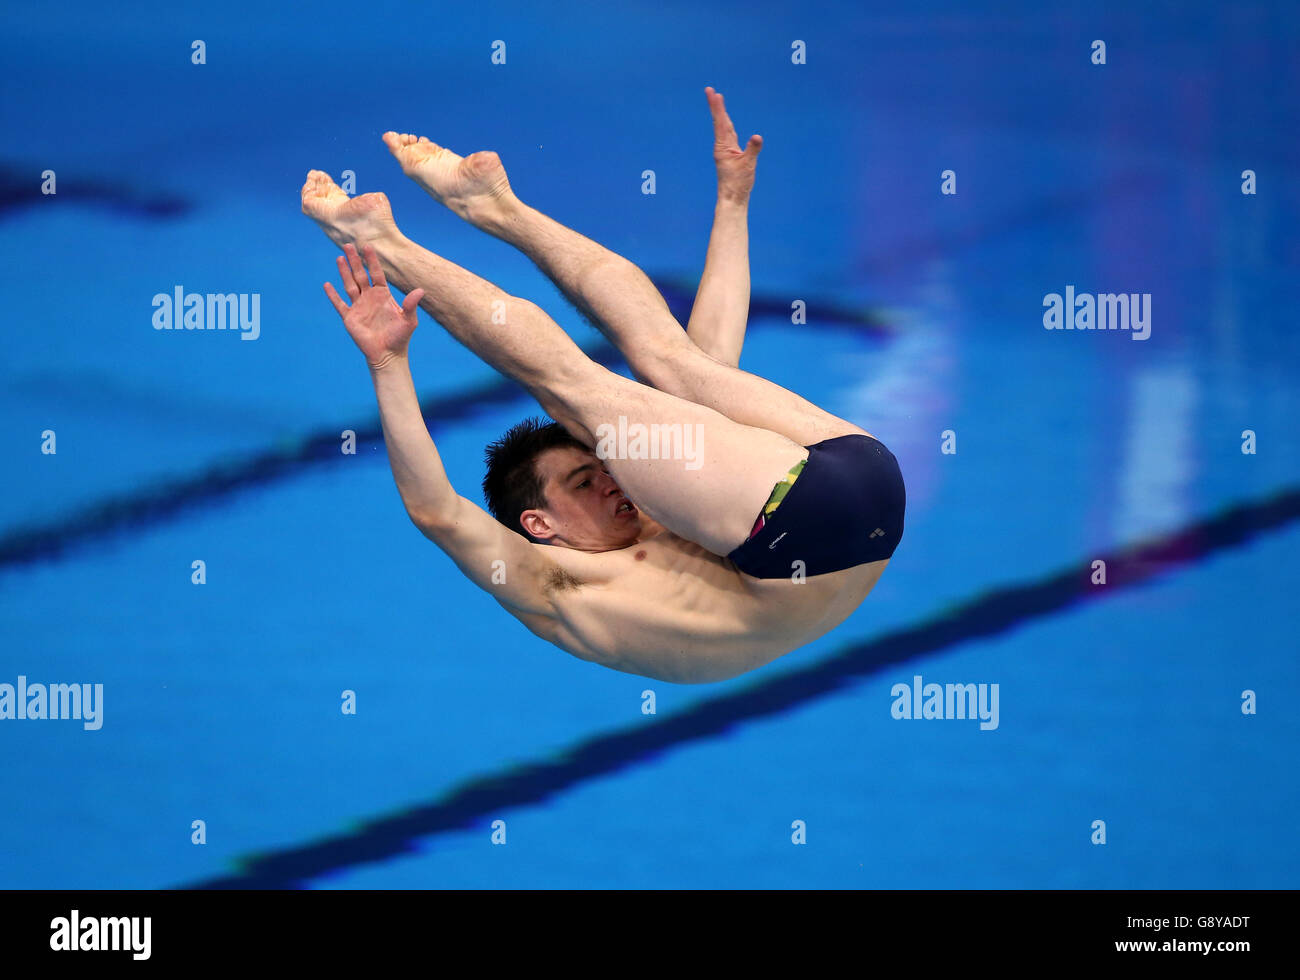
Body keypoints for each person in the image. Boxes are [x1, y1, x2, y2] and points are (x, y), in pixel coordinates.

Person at [301, 87, 904, 683]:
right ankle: (393, 241)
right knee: (576, 383)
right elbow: (436, 513)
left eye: (600, 471)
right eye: (584, 481)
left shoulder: (671, 520)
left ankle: (495, 207)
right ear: (540, 524)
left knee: (672, 363)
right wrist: (388, 364)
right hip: (837, 504)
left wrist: (731, 204)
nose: (613, 481)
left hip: (848, 479)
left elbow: (709, 360)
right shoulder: (549, 583)